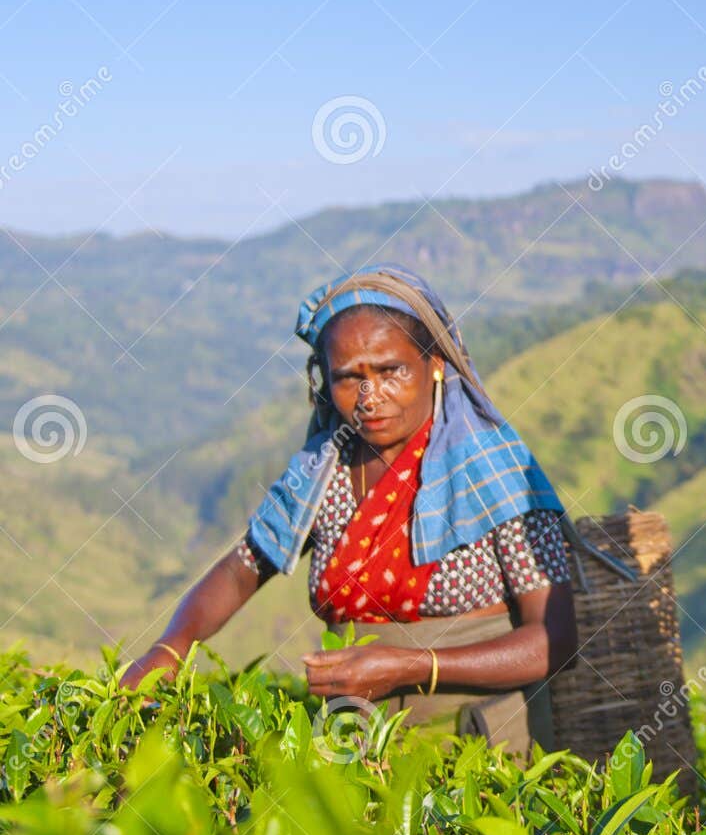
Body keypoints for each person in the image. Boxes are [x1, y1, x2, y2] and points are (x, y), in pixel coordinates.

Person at [123, 266, 579, 753]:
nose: (370, 398)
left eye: (391, 371)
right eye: (348, 378)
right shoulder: (325, 470)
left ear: (437, 363)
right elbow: (241, 569)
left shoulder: (495, 471)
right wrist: (169, 648)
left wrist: (410, 666)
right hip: (356, 750)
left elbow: (555, 637)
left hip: (481, 749)